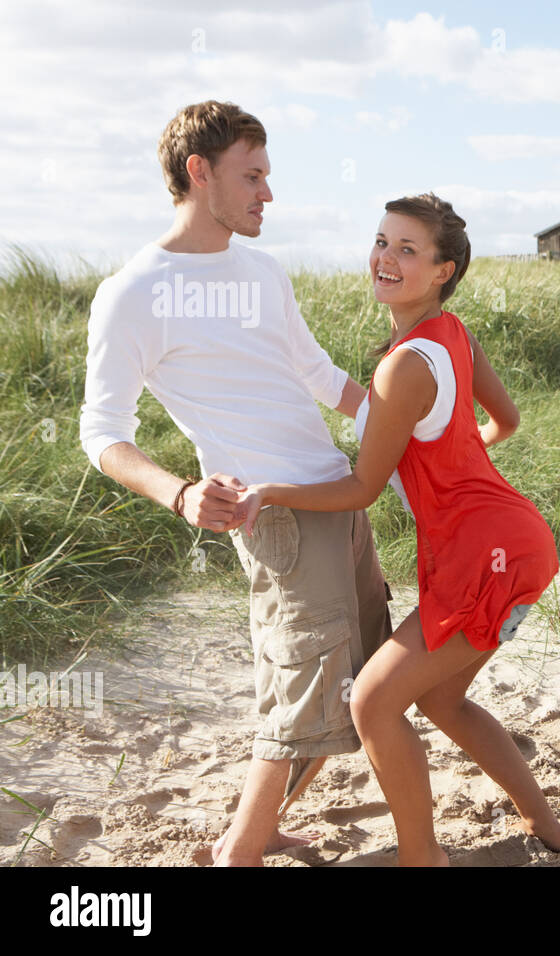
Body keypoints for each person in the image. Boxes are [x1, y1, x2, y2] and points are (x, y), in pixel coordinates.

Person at [78, 101, 392, 866]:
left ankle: (258, 825)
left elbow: (317, 375)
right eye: (252, 176)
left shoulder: (261, 269)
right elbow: (101, 432)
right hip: (278, 520)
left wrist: (406, 426)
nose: (267, 194)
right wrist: (181, 493)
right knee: (301, 698)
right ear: (199, 172)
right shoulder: (133, 292)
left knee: (367, 680)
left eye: (267, 176)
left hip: (340, 498)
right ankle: (240, 854)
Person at [235, 193, 560, 866]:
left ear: (443, 269)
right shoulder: (454, 336)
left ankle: (423, 857)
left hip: (485, 557)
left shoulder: (403, 367)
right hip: (515, 541)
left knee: (372, 703)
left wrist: (270, 490)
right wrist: (450, 462)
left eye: (407, 250)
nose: (385, 258)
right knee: (444, 701)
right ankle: (548, 827)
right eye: (382, 242)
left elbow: (360, 488)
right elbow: (504, 423)